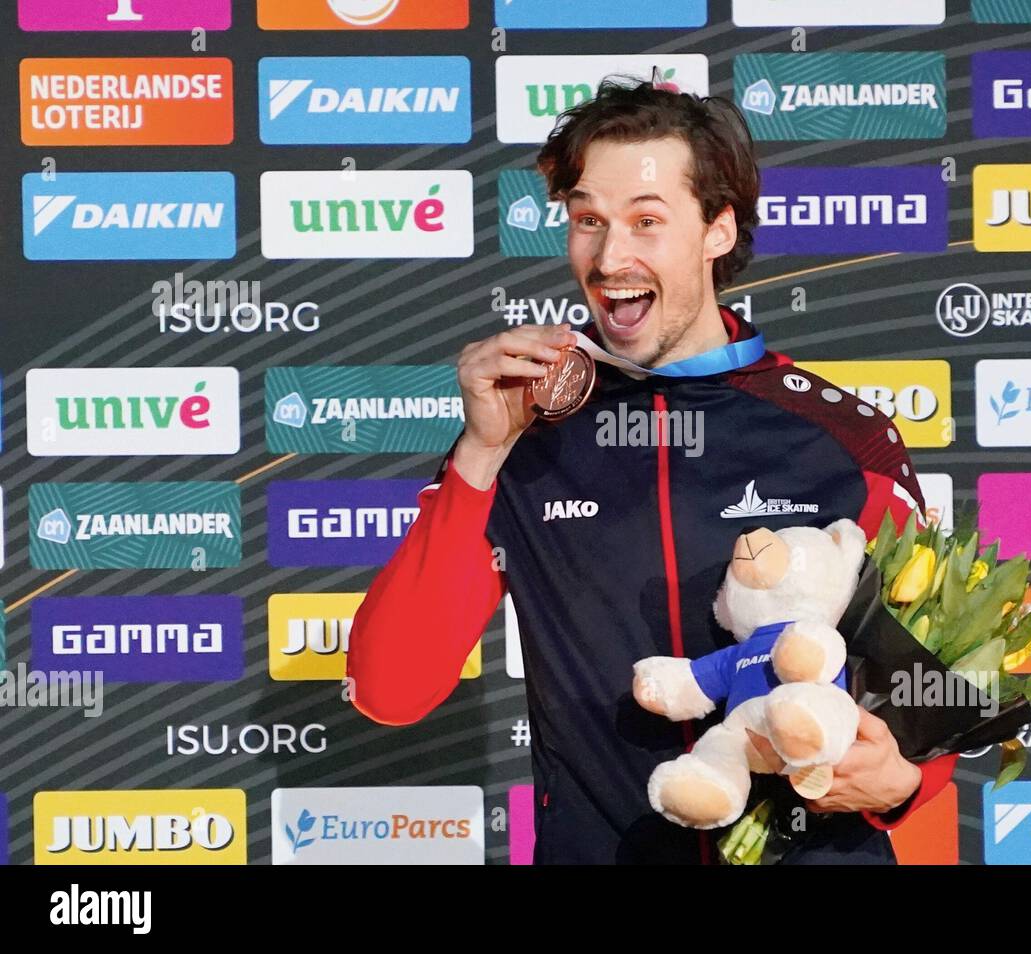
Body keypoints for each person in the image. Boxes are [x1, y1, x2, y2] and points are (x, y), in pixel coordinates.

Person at [347, 77, 958, 864]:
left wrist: (907, 781)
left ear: (717, 228)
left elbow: (933, 698)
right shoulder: (524, 434)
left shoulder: (841, 437)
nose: (609, 257)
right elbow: (392, 689)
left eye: (646, 222)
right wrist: (479, 457)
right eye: (588, 221)